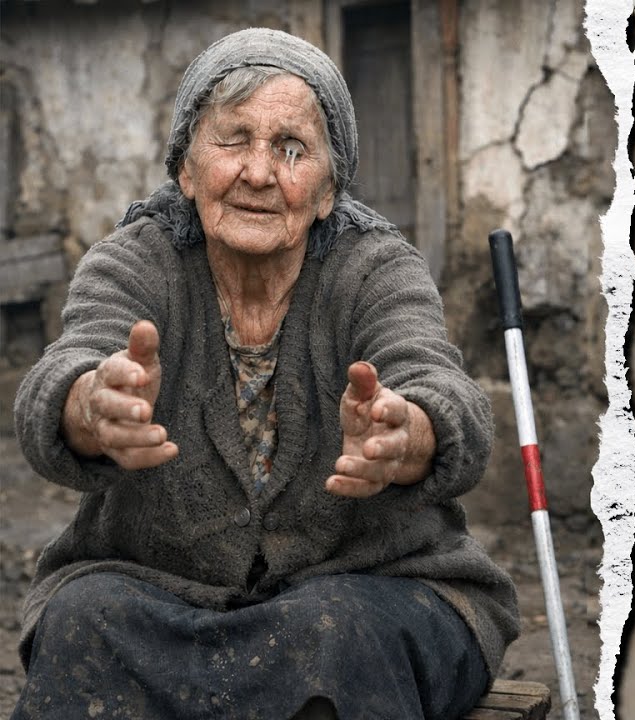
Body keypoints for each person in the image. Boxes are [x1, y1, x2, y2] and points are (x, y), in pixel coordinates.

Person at [12, 28, 519, 720]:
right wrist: (91, 405)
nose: (258, 172)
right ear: (186, 170)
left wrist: (410, 431)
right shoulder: (135, 261)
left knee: (330, 632)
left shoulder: (375, 267)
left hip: (374, 588)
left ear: (327, 189)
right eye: (233, 140)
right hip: (163, 594)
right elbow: (65, 371)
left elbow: (437, 383)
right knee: (81, 618)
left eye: (291, 149)